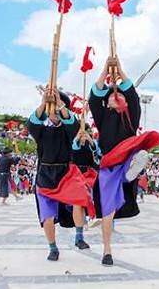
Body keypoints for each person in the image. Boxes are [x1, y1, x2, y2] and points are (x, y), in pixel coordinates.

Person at [89, 56, 159, 266]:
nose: (115, 96)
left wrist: (119, 70)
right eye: (112, 95)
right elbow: (95, 97)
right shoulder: (103, 116)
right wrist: (105, 69)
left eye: (119, 95)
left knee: (140, 146)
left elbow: (132, 95)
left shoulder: (132, 116)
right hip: (109, 166)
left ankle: (133, 169)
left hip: (127, 156)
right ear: (107, 102)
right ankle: (107, 250)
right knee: (108, 210)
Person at [28, 90, 94, 261]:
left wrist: (61, 105)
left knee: (79, 200)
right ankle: (52, 248)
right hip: (45, 175)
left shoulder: (68, 129)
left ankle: (79, 237)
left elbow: (73, 125)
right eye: (52, 108)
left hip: (66, 173)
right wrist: (44, 102)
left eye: (57, 108)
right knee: (47, 216)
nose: (54, 112)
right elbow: (32, 123)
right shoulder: (40, 130)